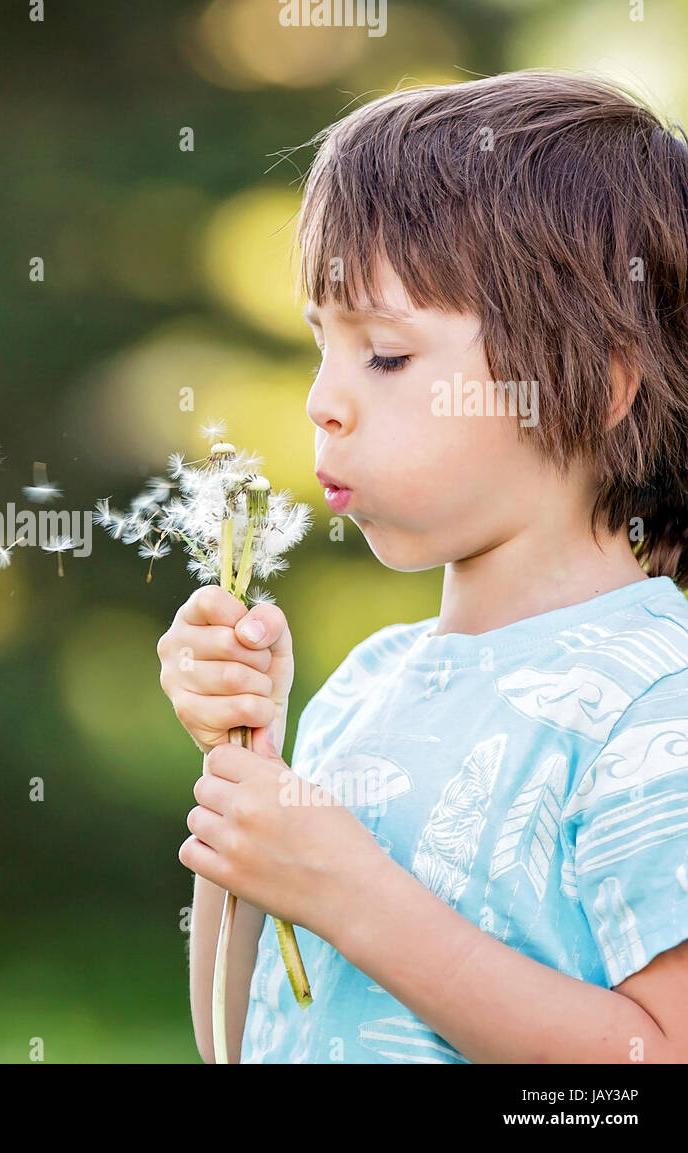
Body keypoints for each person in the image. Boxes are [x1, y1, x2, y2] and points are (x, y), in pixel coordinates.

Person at [158, 70, 688, 1063]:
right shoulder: (363, 685)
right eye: (323, 346)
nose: (322, 400)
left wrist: (353, 896)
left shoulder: (653, 701)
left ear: (593, 386)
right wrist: (247, 763)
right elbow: (238, 1038)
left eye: (386, 356)